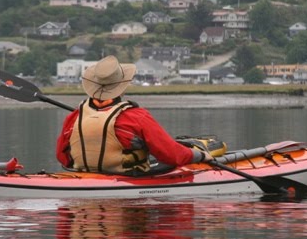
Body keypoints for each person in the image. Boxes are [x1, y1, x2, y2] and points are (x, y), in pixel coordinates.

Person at [56, 55, 213, 174]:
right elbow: (170, 155)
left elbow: (62, 157)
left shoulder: (75, 117)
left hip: (85, 177)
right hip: (129, 179)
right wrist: (198, 156)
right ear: (122, 86)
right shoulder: (136, 117)